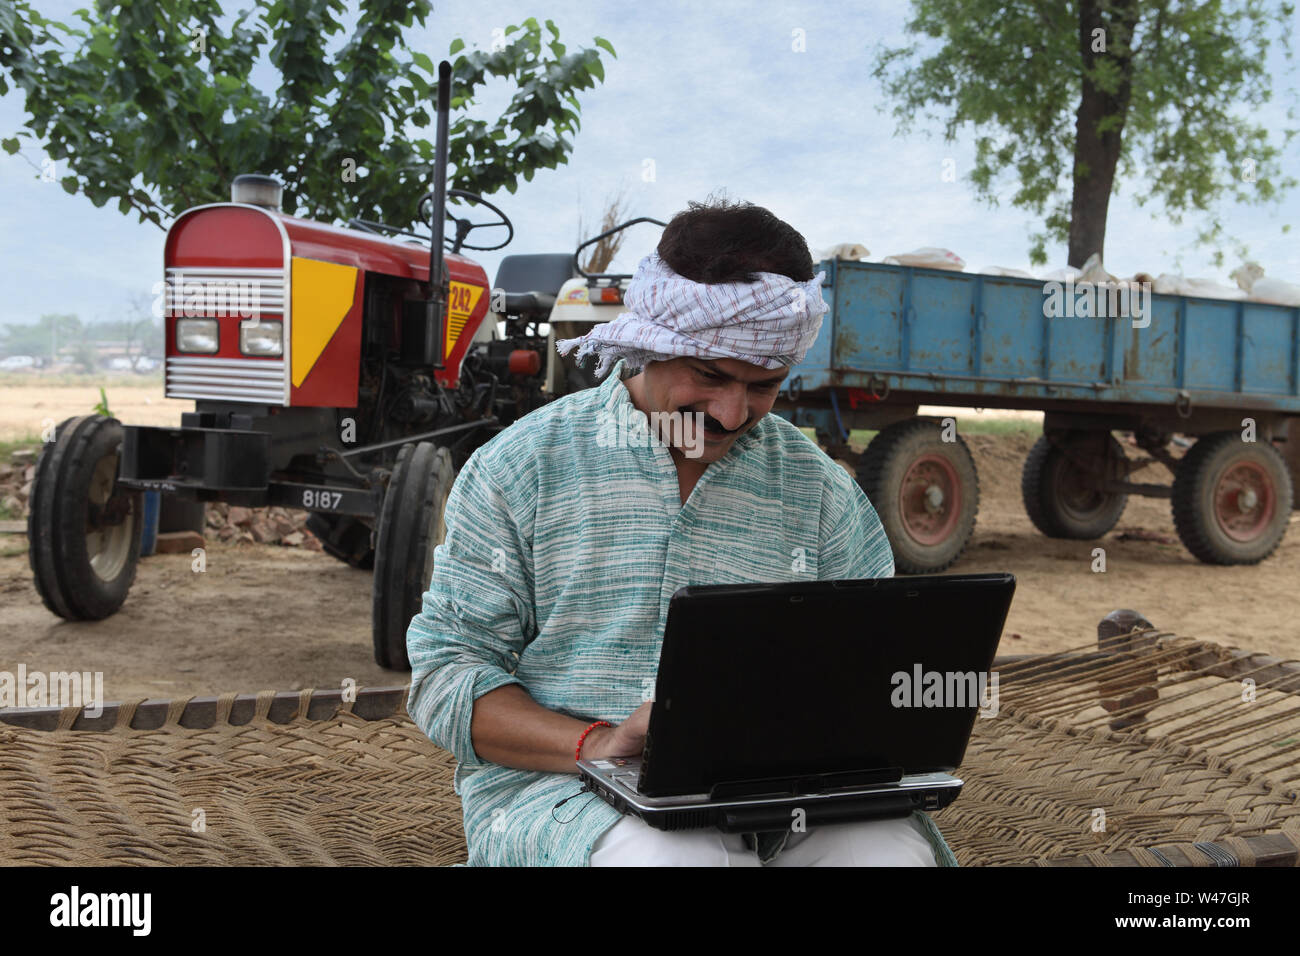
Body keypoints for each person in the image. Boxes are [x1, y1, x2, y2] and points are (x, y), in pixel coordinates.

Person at [406, 197, 958, 866]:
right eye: (710, 375)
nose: (730, 413)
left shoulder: (823, 494)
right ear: (651, 344)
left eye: (764, 387)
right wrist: (598, 744)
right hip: (559, 791)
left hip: (794, 797)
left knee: (890, 859)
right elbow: (448, 675)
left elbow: (877, 678)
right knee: (681, 860)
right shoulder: (521, 468)